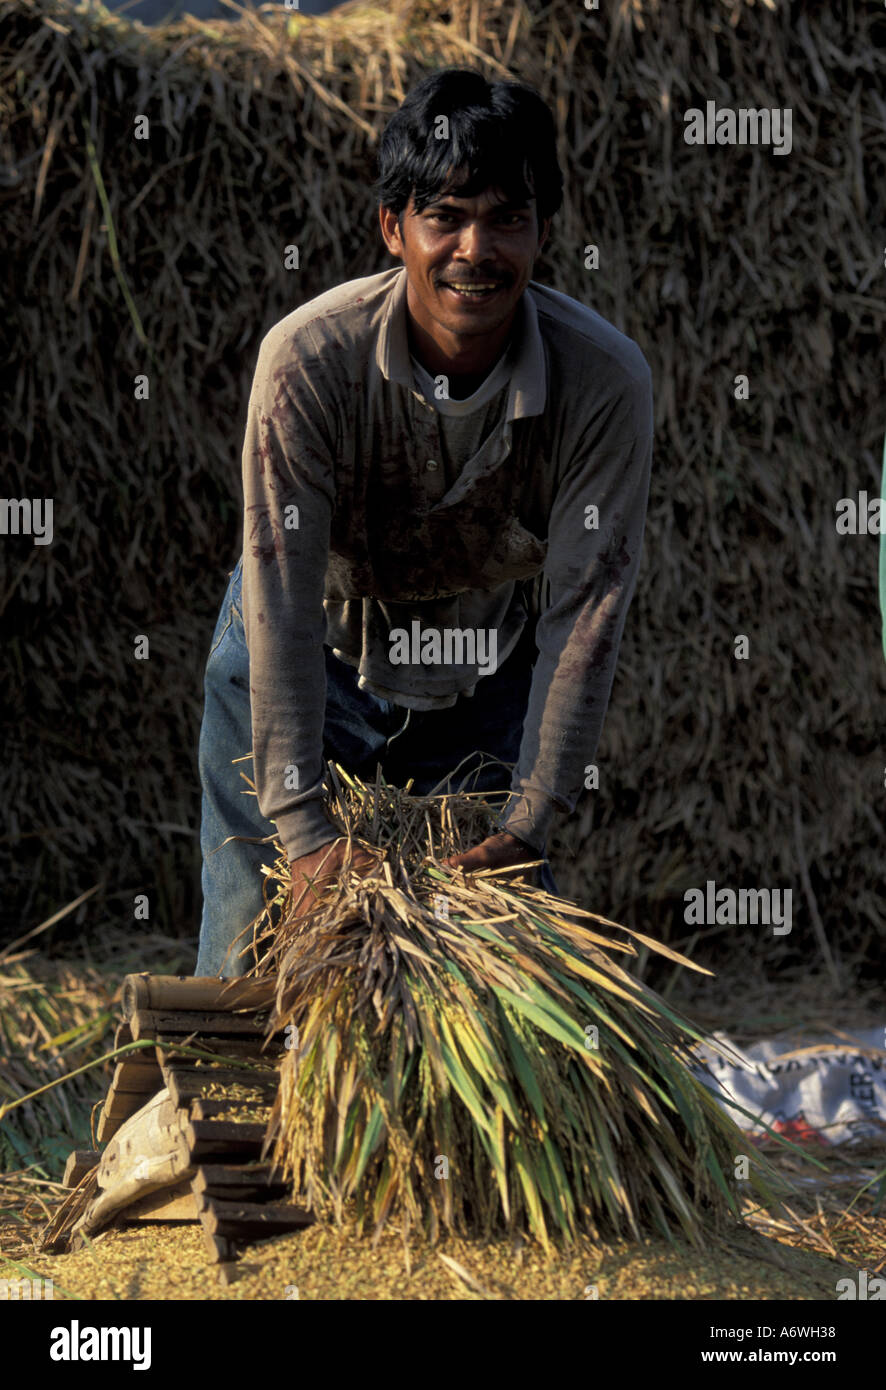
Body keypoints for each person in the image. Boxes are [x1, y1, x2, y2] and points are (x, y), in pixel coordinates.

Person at [195, 67, 654, 977]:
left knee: (490, 964)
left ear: (544, 230)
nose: (475, 250)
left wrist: (530, 821)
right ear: (392, 228)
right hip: (309, 666)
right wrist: (304, 828)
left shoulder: (603, 382)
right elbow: (279, 597)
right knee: (253, 938)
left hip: (482, 683)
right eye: (445, 216)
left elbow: (586, 609)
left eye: (506, 218)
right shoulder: (308, 362)